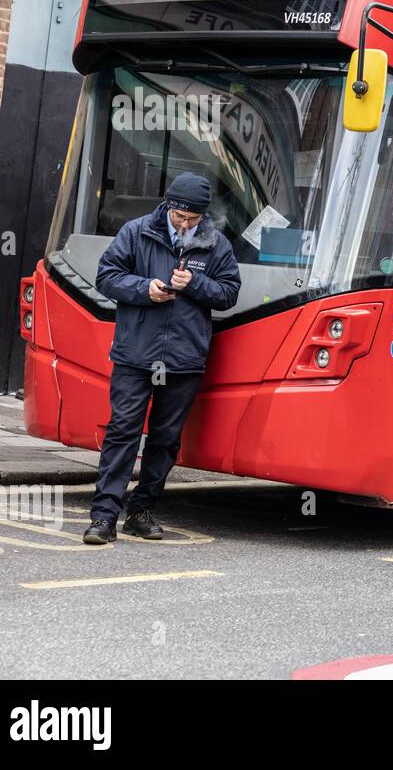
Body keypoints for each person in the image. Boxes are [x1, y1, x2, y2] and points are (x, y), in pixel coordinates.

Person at [83, 172, 241, 545]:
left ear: (203, 215)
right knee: (122, 431)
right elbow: (106, 277)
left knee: (166, 439)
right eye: (178, 216)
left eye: (191, 219)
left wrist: (196, 285)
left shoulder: (217, 246)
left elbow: (229, 293)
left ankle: (140, 511)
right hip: (136, 353)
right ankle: (103, 517)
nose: (183, 224)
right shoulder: (137, 232)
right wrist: (144, 289)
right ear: (168, 206)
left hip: (184, 357)